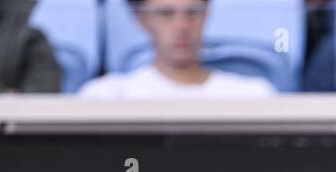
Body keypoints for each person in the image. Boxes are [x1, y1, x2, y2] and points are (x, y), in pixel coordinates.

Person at [78, 0, 275, 99]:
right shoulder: (109, 95)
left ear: (206, 14)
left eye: (193, 12)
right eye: (165, 14)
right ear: (141, 19)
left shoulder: (253, 93)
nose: (182, 26)